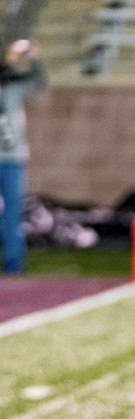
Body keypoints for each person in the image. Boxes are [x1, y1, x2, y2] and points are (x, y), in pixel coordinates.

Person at [0, 39, 45, 274]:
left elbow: (39, 83)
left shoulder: (14, 88)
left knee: (13, 214)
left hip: (12, 159)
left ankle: (14, 262)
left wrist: (34, 58)